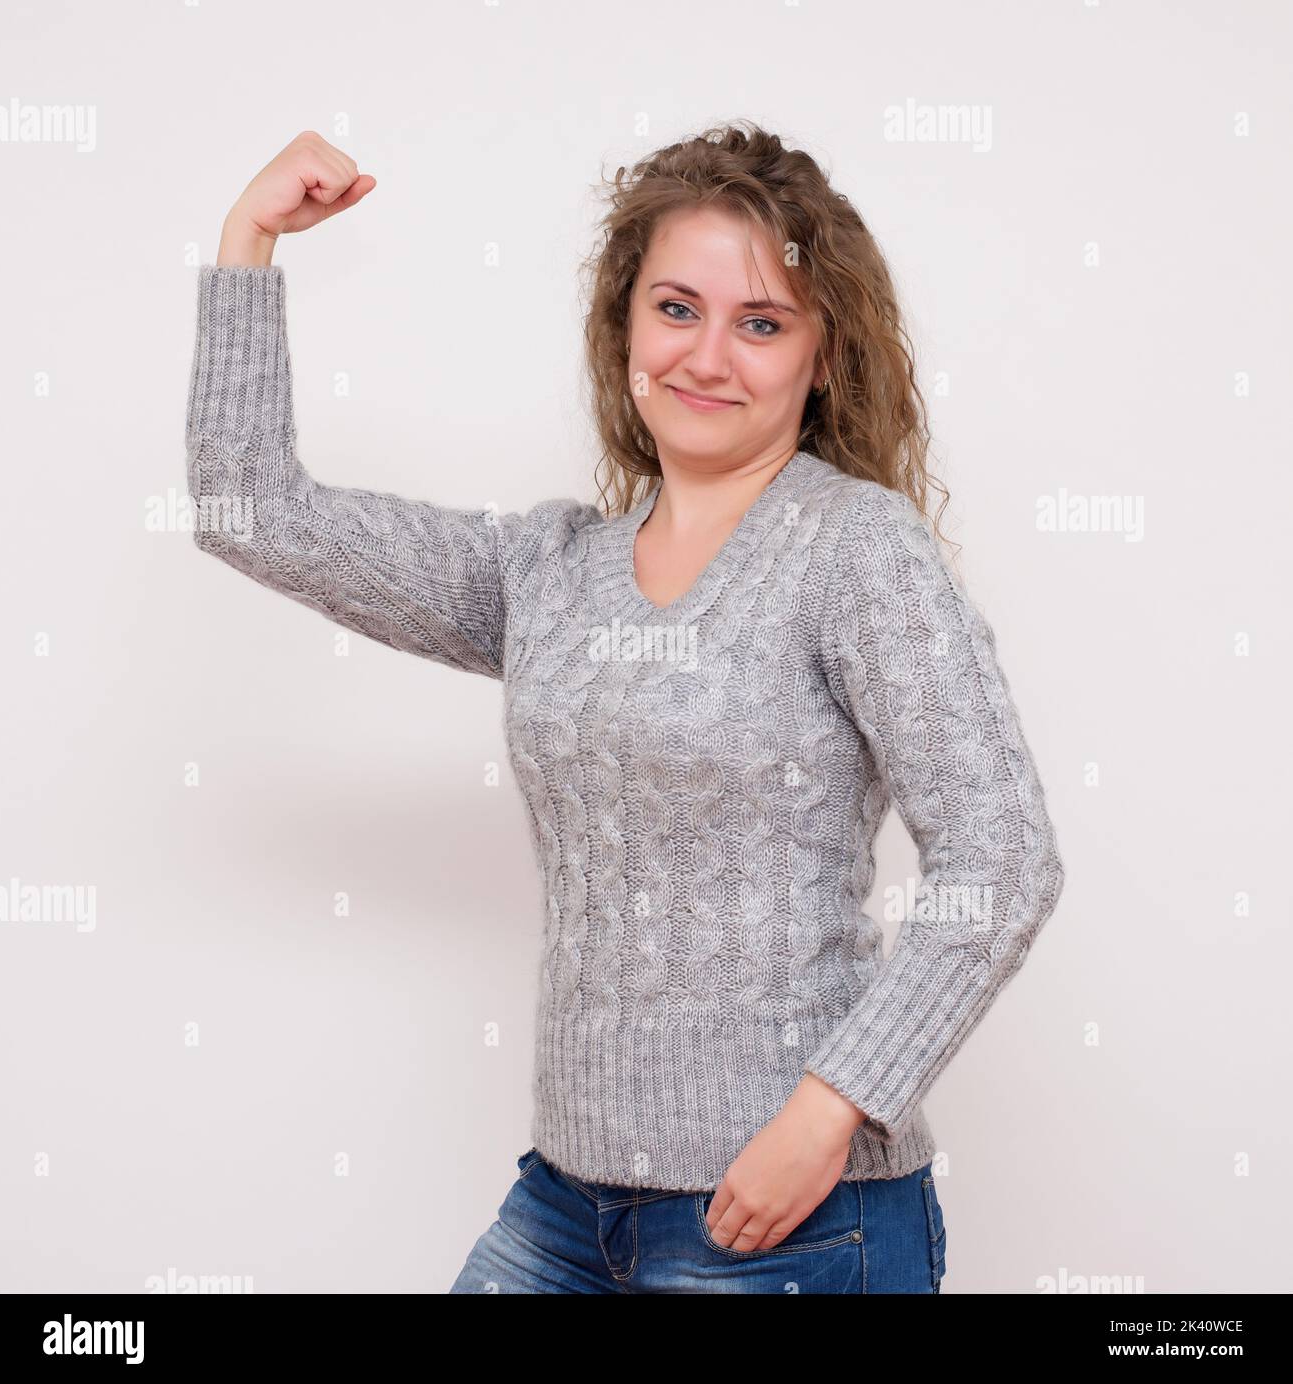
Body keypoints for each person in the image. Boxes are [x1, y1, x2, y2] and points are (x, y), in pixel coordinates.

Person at [185, 122, 1064, 1294]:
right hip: (565, 1205)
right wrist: (250, 238)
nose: (709, 355)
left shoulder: (854, 551)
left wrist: (828, 1109)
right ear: (623, 330)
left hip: (793, 1221)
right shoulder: (547, 571)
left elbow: (1002, 856)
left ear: (823, 355)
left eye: (761, 322)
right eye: (675, 308)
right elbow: (248, 510)